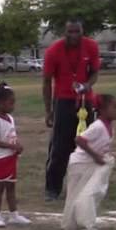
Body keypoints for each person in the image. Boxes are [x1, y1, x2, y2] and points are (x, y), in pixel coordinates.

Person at [42, 20, 101, 201]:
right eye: (70, 32)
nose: (74, 35)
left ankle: (86, 185)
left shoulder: (91, 46)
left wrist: (87, 85)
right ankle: (53, 188)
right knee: (60, 147)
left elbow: (95, 73)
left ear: (82, 31)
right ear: (64, 31)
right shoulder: (53, 51)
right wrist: (49, 111)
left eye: (77, 31)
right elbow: (46, 82)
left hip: (85, 101)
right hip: (63, 101)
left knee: (87, 144)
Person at [62, 94, 116, 230]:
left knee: (82, 194)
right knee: (83, 194)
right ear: (103, 110)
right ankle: (83, 225)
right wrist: (95, 156)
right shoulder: (98, 126)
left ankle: (72, 225)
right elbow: (80, 140)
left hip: (88, 163)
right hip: (79, 164)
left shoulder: (109, 125)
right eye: (115, 107)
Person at [0, 83, 31, 228]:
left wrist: (17, 146)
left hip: (11, 157)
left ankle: (14, 215)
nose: (13, 105)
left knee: (11, 187)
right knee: (0, 188)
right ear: (0, 103)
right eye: (10, 102)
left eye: (13, 102)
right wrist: (12, 146)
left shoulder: (10, 118)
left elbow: (12, 135)